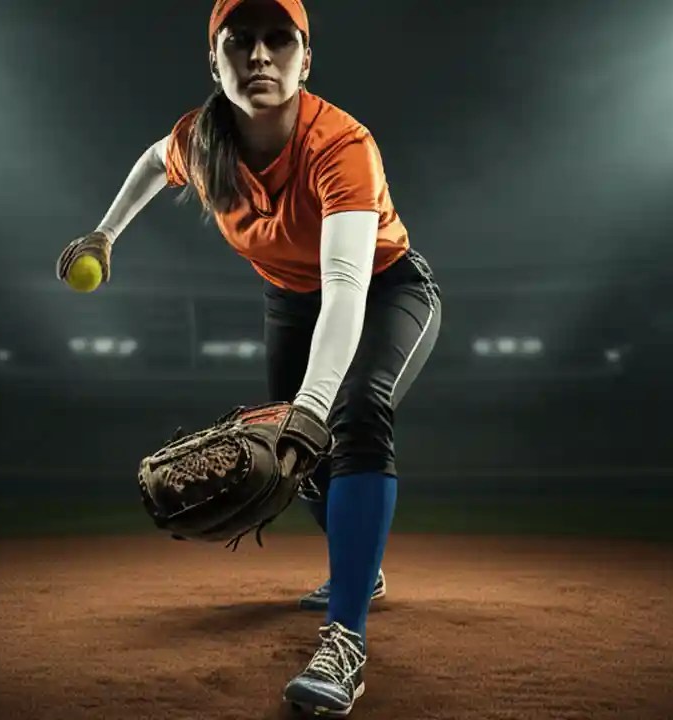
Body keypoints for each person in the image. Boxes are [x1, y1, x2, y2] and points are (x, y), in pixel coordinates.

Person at [56, 0, 442, 715]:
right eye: (239, 41)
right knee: (292, 460)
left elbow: (347, 285)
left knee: (350, 415)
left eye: (278, 39)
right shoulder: (203, 142)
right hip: (290, 300)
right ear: (215, 61)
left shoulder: (341, 145)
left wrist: (315, 406)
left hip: (386, 290)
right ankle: (364, 570)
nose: (259, 55)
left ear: (305, 58)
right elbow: (152, 161)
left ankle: (345, 642)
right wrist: (106, 233)